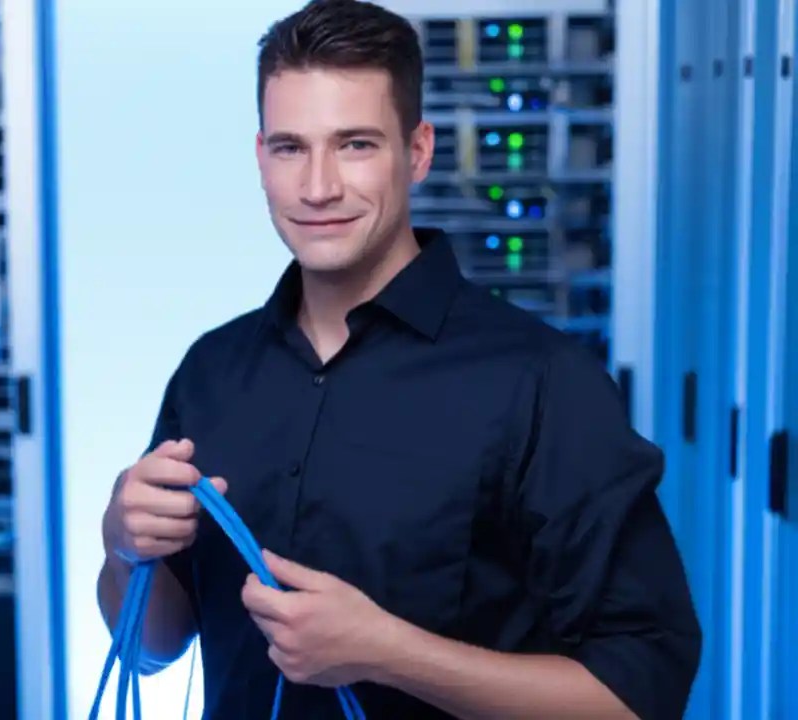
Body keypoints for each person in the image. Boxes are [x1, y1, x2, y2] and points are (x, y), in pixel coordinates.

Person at [95, 1, 702, 718]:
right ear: (261, 157)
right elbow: (152, 648)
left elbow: (639, 695)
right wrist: (123, 550)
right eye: (291, 148)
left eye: (355, 145)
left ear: (417, 151)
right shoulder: (212, 372)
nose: (318, 187)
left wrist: (389, 653)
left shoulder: (540, 382)